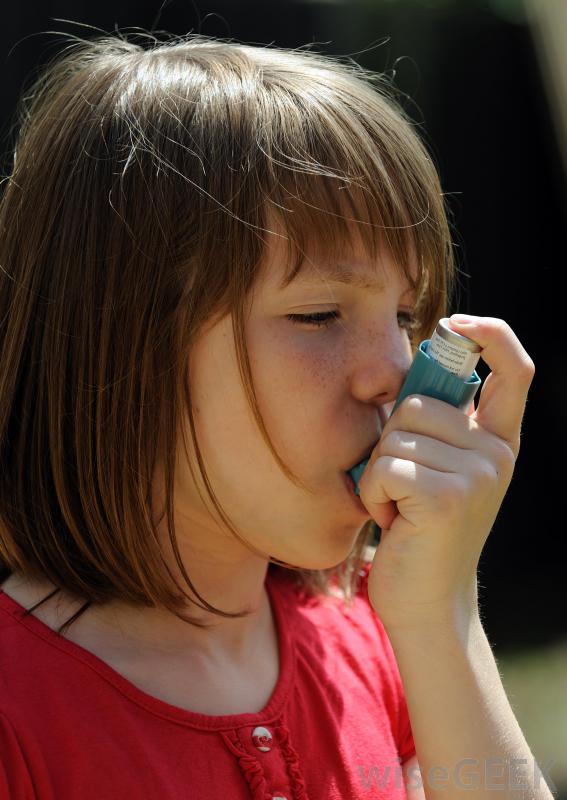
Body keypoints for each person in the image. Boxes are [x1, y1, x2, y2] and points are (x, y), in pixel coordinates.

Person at [0, 30, 553, 800]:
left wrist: (439, 615)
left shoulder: (386, 645)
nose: (394, 372)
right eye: (321, 314)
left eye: (405, 315)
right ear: (121, 342)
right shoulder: (19, 714)